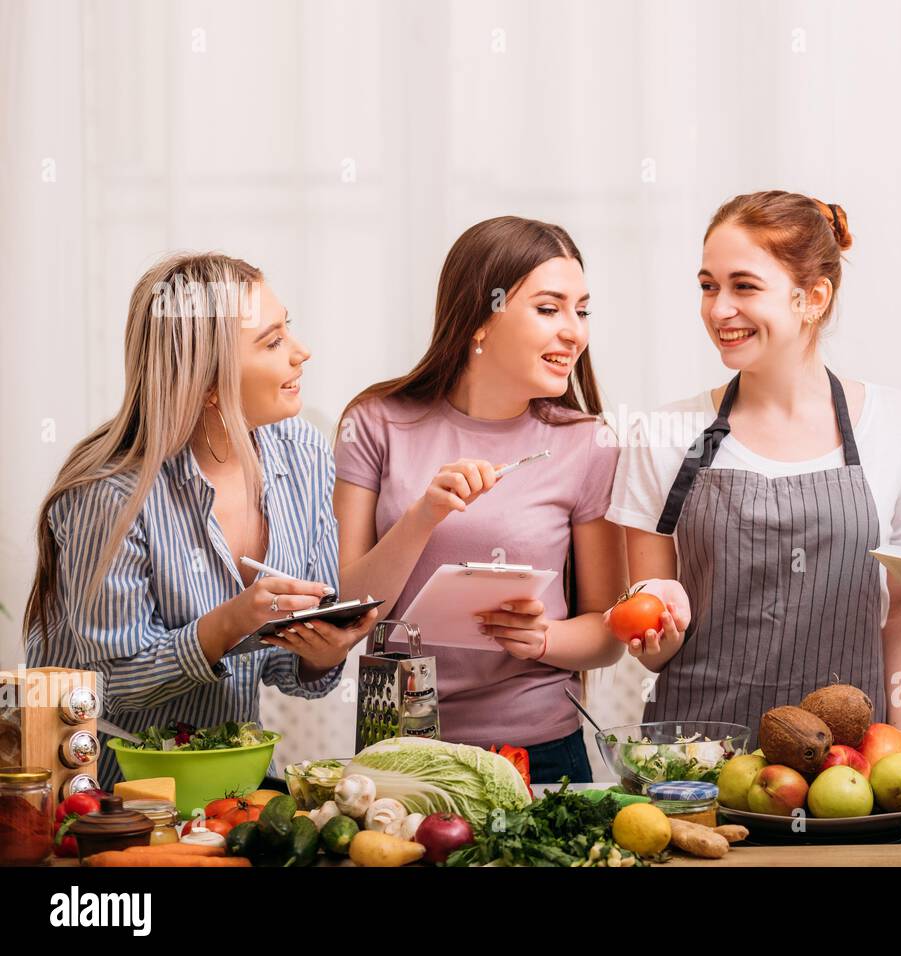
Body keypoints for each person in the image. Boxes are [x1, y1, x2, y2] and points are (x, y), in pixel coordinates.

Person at [606, 191, 901, 784]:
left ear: (813, 298)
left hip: (848, 770)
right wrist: (653, 632)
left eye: (743, 286)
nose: (719, 310)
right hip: (697, 762)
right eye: (708, 286)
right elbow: (652, 638)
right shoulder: (662, 434)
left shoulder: (897, 425)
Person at [25, 252, 376, 787]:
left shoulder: (304, 453)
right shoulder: (111, 492)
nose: (302, 353)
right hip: (110, 794)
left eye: (289, 330)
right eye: (273, 341)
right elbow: (107, 686)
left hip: (235, 783)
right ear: (209, 384)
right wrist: (231, 621)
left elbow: (289, 673)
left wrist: (322, 655)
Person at [334, 216, 628, 783]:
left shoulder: (588, 442)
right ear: (480, 320)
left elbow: (606, 630)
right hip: (401, 751)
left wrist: (544, 638)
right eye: (549, 309)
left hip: (540, 754)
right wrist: (424, 516)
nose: (574, 332)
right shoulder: (376, 422)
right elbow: (348, 606)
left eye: (581, 310)